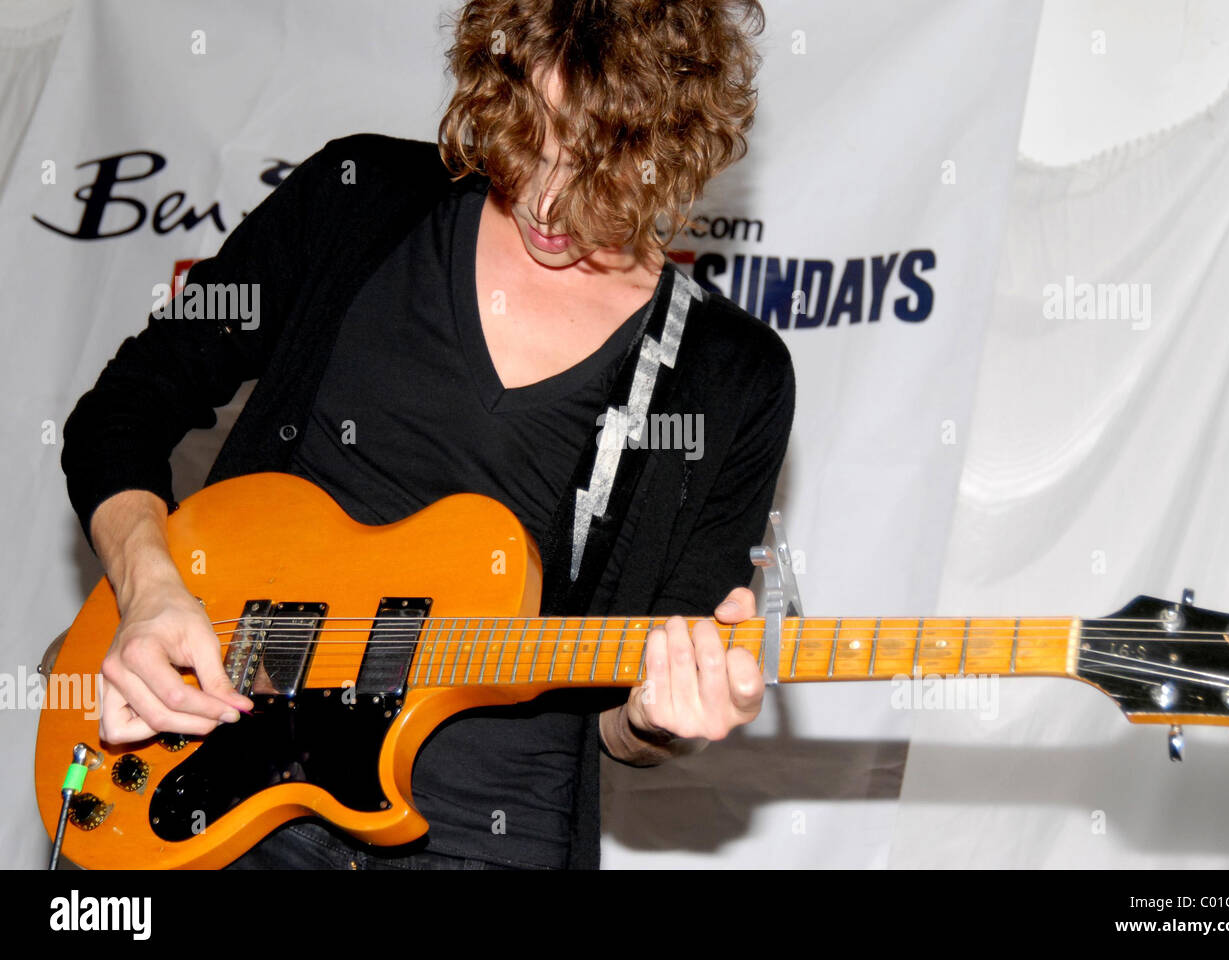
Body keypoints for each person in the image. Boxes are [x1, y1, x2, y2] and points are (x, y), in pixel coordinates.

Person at [60, 0, 793, 870]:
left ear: (673, 149)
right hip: (217, 778)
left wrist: (659, 718)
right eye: (533, 136)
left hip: (487, 834)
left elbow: (624, 724)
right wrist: (148, 590)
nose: (550, 203)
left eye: (599, 166)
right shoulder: (358, 200)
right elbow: (123, 409)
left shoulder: (729, 375)